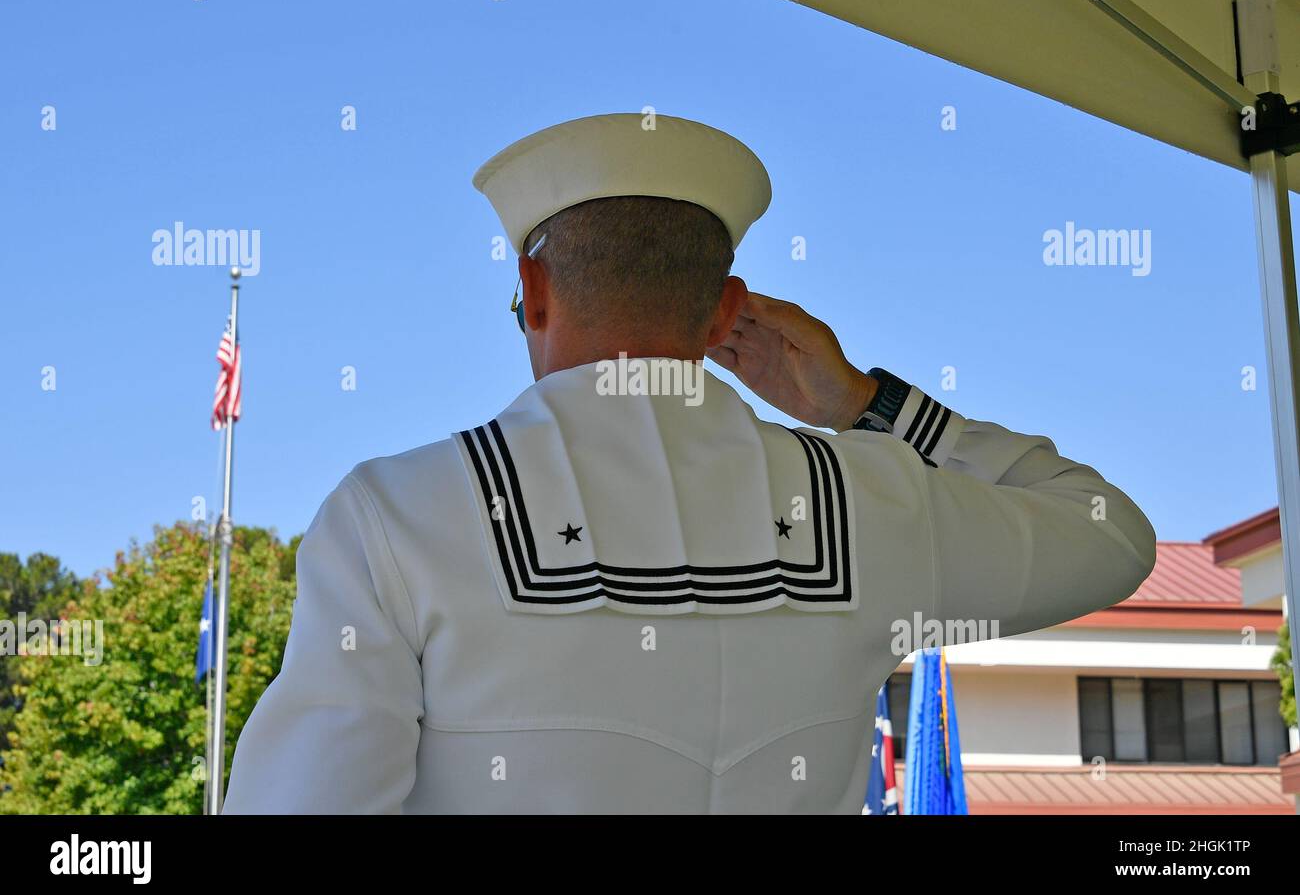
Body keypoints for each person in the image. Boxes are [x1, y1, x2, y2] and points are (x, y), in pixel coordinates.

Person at [224, 113, 1156, 813]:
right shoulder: (873, 505)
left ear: (534, 292)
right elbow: (1111, 534)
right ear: (725, 314)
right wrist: (865, 405)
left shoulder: (398, 515)